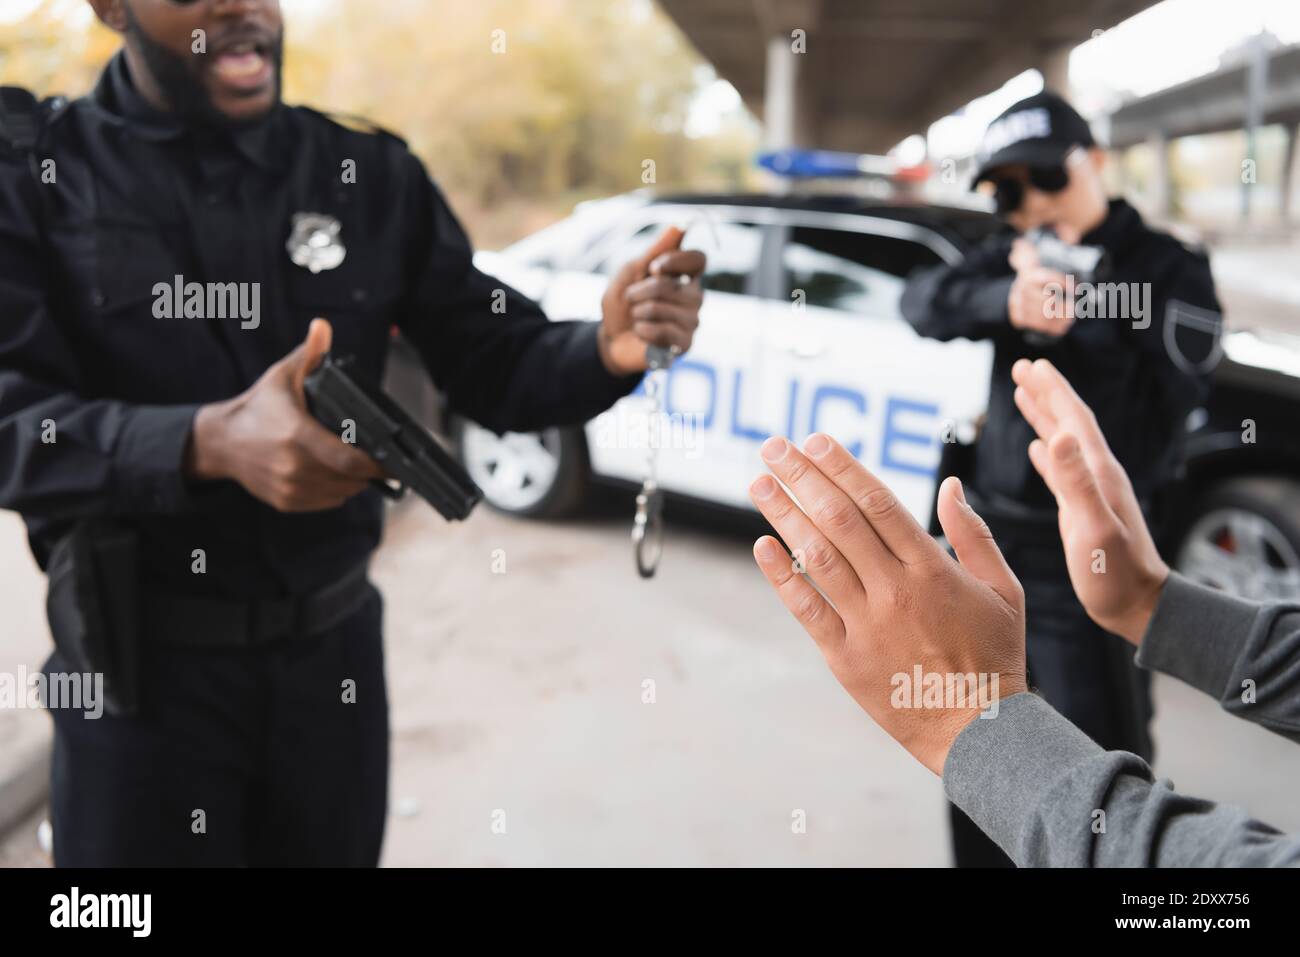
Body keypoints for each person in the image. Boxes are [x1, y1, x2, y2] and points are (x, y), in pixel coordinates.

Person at [0, 0, 705, 866]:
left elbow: (492, 353)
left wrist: (603, 347)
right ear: (111, 7)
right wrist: (205, 442)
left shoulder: (366, 173)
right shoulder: (34, 175)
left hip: (331, 676)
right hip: (135, 688)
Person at [746, 359, 1300, 867]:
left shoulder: (1165, 268)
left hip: (1060, 596)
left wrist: (977, 718)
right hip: (1041, 550)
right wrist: (1153, 601)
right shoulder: (1015, 259)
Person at [900, 90, 1223, 866]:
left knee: (1095, 762)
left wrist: (1083, 312)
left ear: (1097, 162)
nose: (1035, 201)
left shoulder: (1165, 265)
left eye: (1049, 176)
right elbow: (920, 299)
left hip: (1097, 556)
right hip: (993, 538)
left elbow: (1183, 382)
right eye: (1012, 188)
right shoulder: (1015, 251)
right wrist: (1006, 295)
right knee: (976, 735)